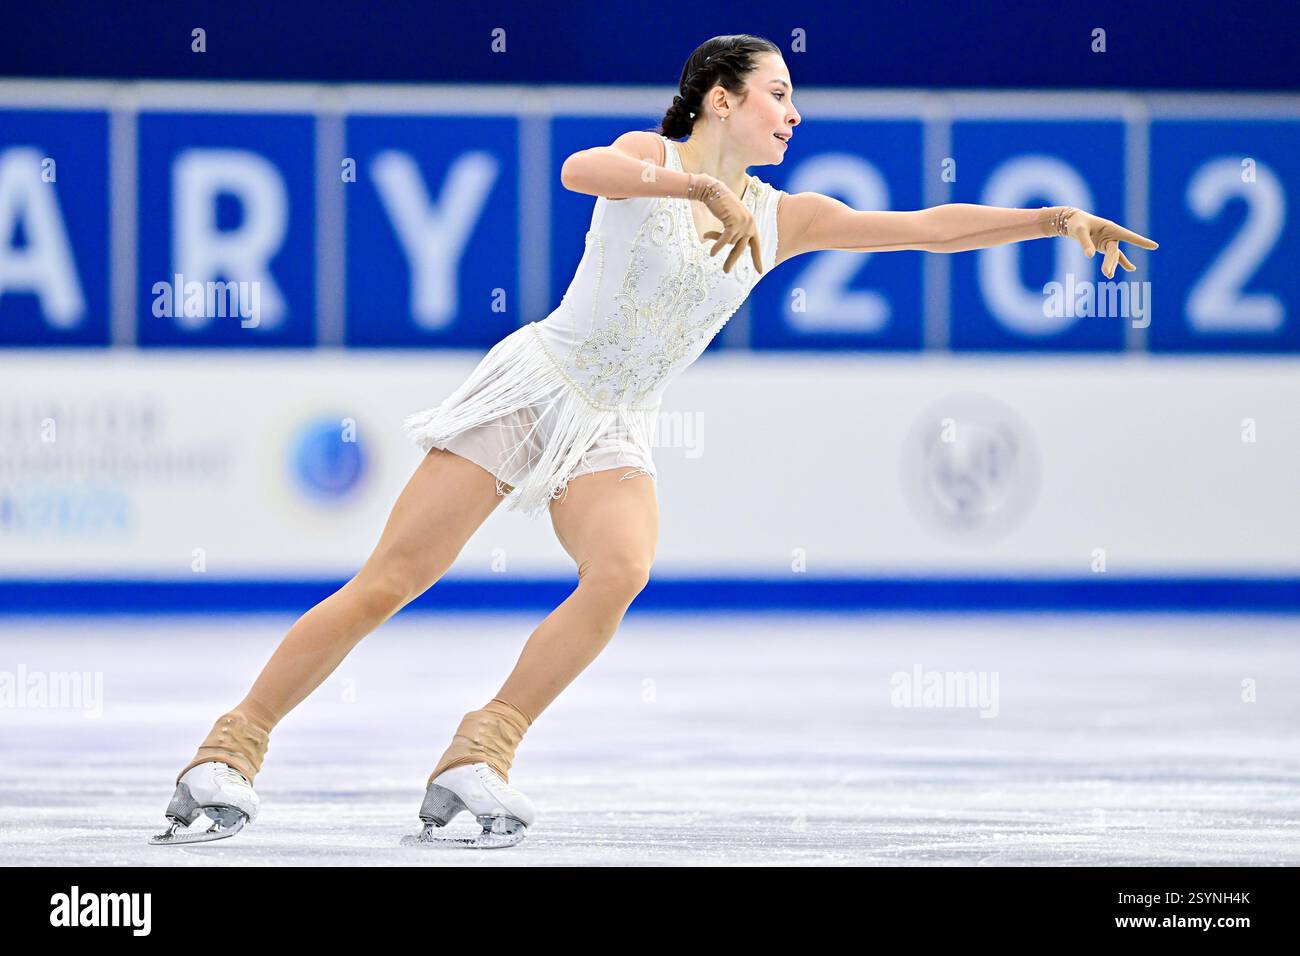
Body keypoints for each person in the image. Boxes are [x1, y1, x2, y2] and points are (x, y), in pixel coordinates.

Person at [151, 33, 1158, 849]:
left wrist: (1050, 218)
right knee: (391, 579)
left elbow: (926, 227)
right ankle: (228, 748)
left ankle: (477, 752)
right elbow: (576, 167)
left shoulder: (788, 216)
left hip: (611, 424)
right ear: (719, 97)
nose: (793, 113)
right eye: (777, 93)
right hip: (535, 388)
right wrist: (690, 190)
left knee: (621, 569)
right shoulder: (653, 154)